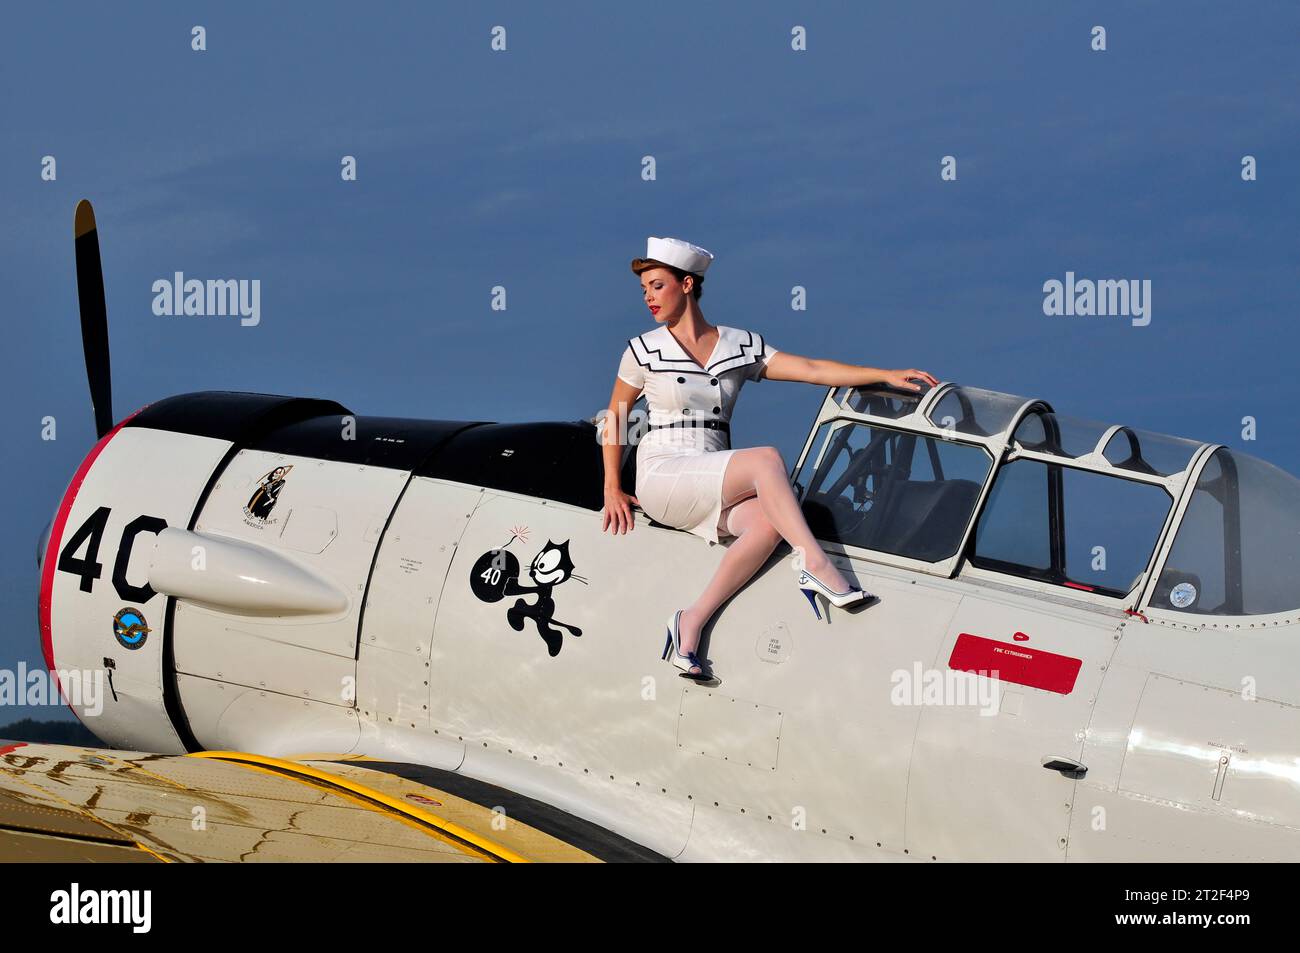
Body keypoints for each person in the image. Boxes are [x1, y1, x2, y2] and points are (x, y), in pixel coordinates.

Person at [600, 236, 938, 679]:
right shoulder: (642, 350)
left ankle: (691, 620)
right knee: (765, 460)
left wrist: (884, 374)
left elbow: (813, 370)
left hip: (713, 474)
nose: (648, 297)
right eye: (644, 288)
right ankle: (814, 563)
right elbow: (616, 419)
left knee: (766, 523)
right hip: (664, 471)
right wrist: (612, 487)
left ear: (687, 285)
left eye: (657, 285)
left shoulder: (738, 345)